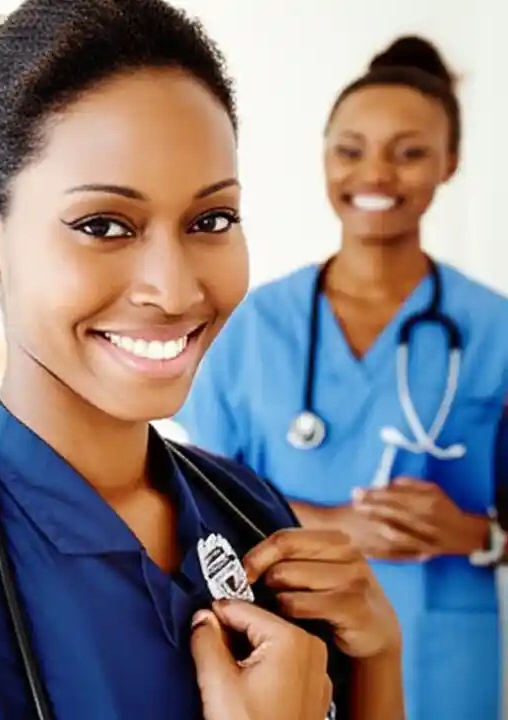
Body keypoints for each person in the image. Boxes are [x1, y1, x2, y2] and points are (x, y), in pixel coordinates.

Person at [0, 2, 405, 719]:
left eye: (211, 220)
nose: (174, 290)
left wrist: (378, 658)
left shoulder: (248, 512)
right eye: (104, 225)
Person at [177, 35, 508, 720]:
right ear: (325, 156)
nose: (376, 173)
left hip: (442, 658)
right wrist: (333, 525)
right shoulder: (251, 324)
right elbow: (197, 500)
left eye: (409, 152)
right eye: (351, 150)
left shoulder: (493, 329)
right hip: (290, 642)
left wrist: (475, 534)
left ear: (449, 162)